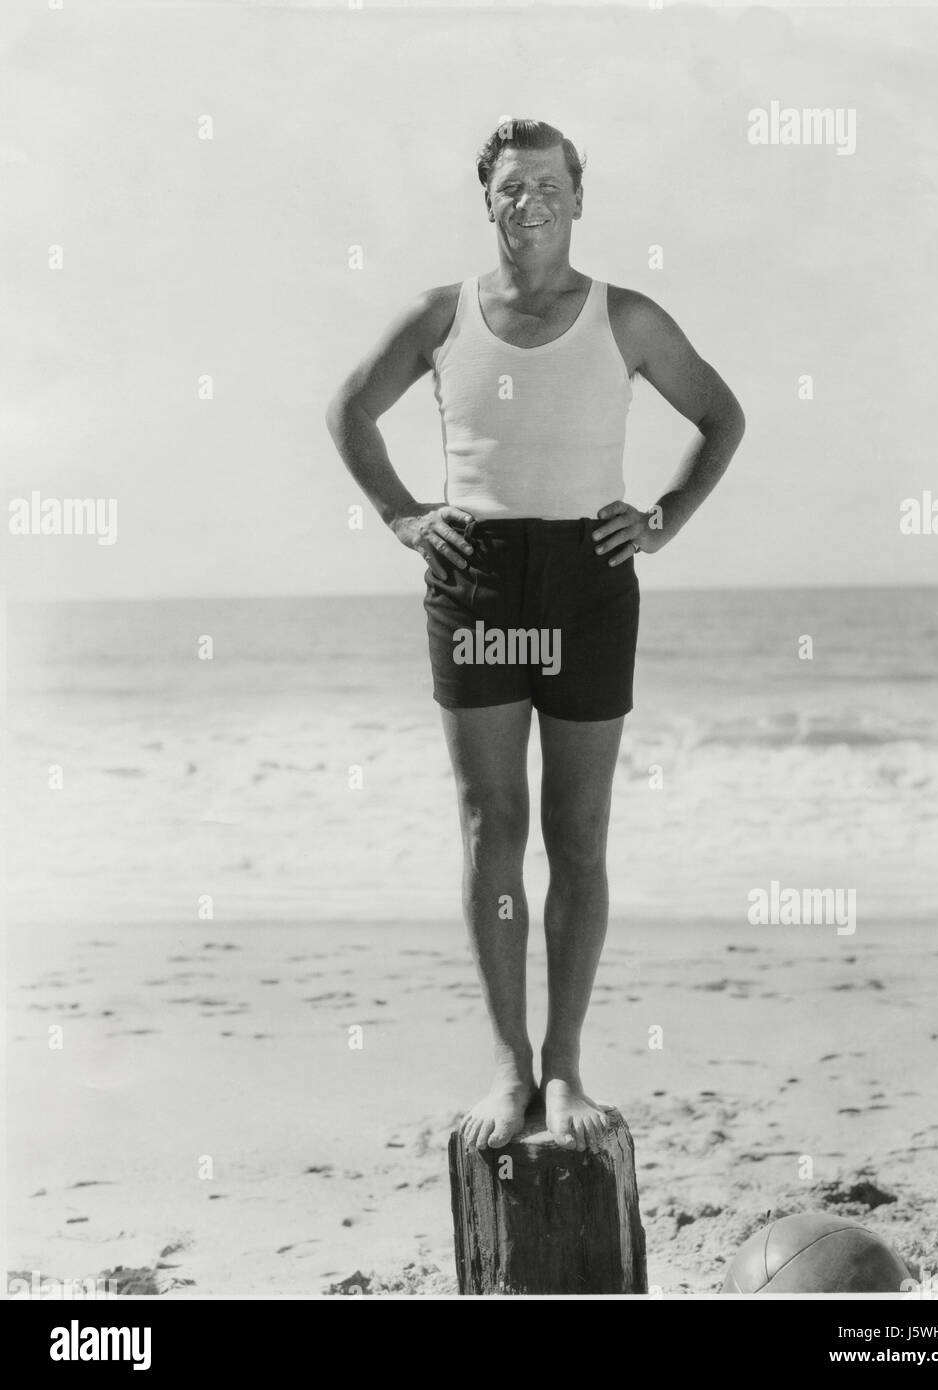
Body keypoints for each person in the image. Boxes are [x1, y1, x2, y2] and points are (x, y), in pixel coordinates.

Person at [326, 118, 745, 1152]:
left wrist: (661, 520)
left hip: (590, 580)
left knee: (580, 834)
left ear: (577, 197)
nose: (532, 200)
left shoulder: (627, 317)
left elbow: (722, 416)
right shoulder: (439, 316)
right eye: (513, 186)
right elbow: (348, 412)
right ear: (489, 201)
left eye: (550, 183)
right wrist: (403, 515)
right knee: (491, 826)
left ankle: (565, 1066)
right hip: (476, 578)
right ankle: (509, 1063)